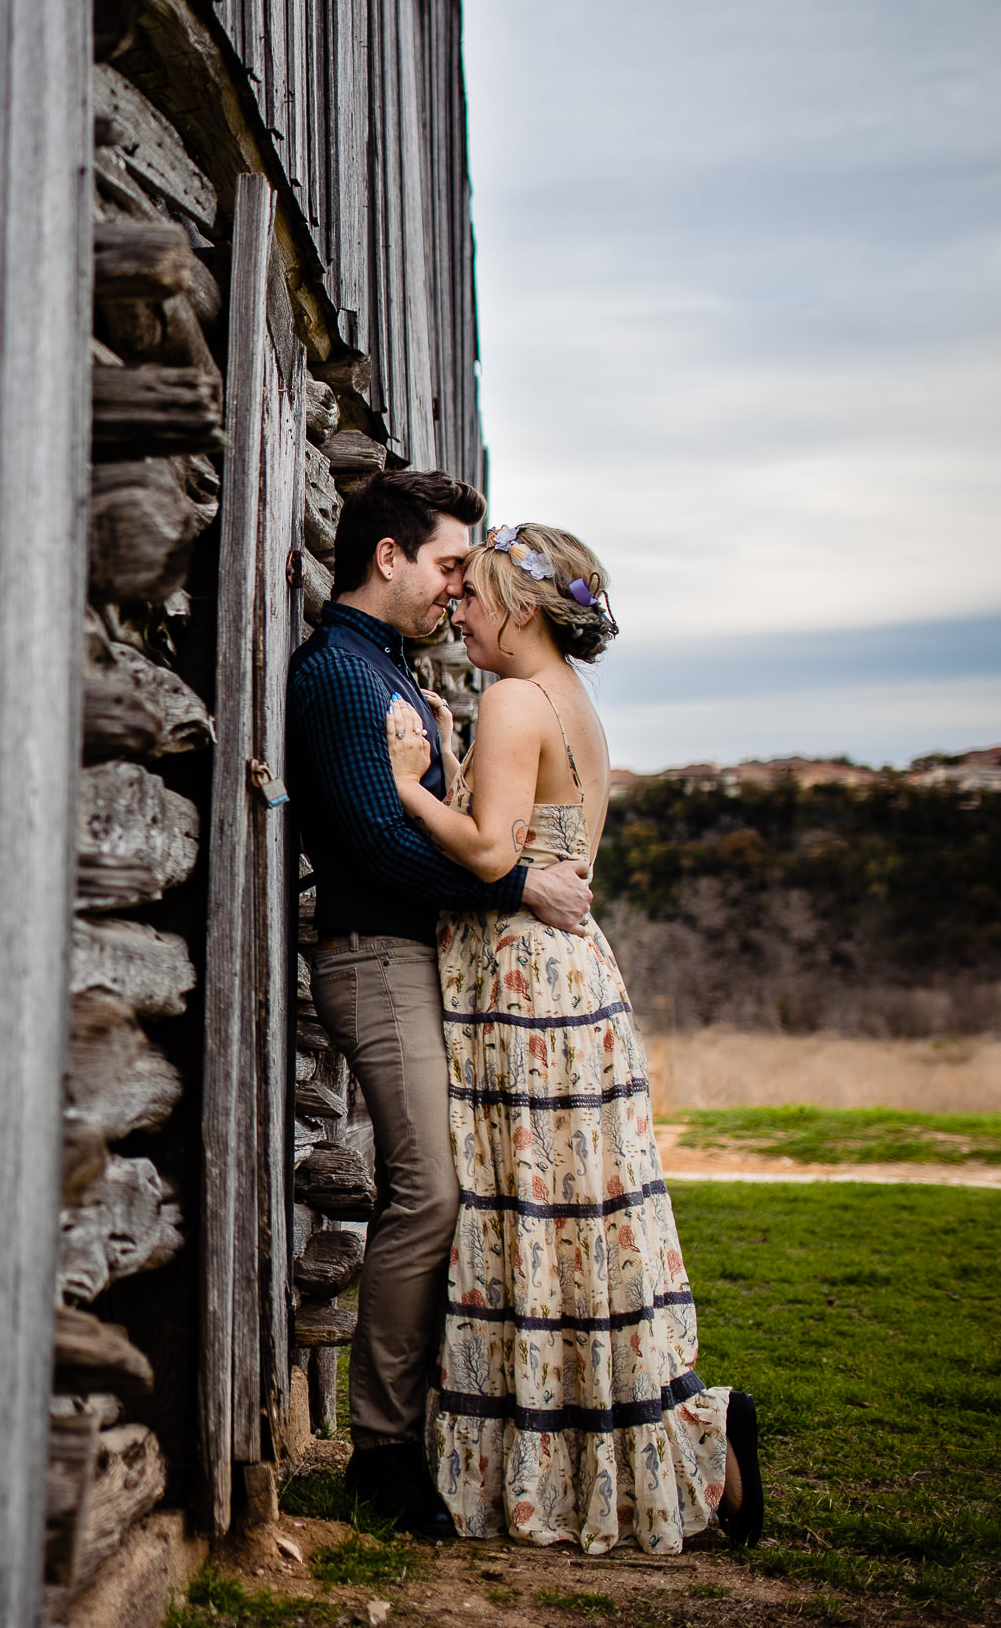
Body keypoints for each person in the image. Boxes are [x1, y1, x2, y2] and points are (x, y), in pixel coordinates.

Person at [383, 521, 762, 1554]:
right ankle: (680, 1443)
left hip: (522, 979)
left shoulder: (511, 697)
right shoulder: (568, 702)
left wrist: (411, 784)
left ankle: (637, 1459)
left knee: (533, 1206)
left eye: (477, 594)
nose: (459, 607)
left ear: (522, 607)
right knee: (577, 1218)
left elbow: (485, 849)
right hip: (572, 974)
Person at [287, 472, 597, 1541]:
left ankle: (444, 1425)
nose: (457, 590)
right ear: (387, 558)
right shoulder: (337, 674)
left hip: (423, 962)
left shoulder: (389, 670)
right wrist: (513, 884)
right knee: (427, 1194)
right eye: (448, 567)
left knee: (462, 1191)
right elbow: (374, 841)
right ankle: (380, 1454)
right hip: (373, 959)